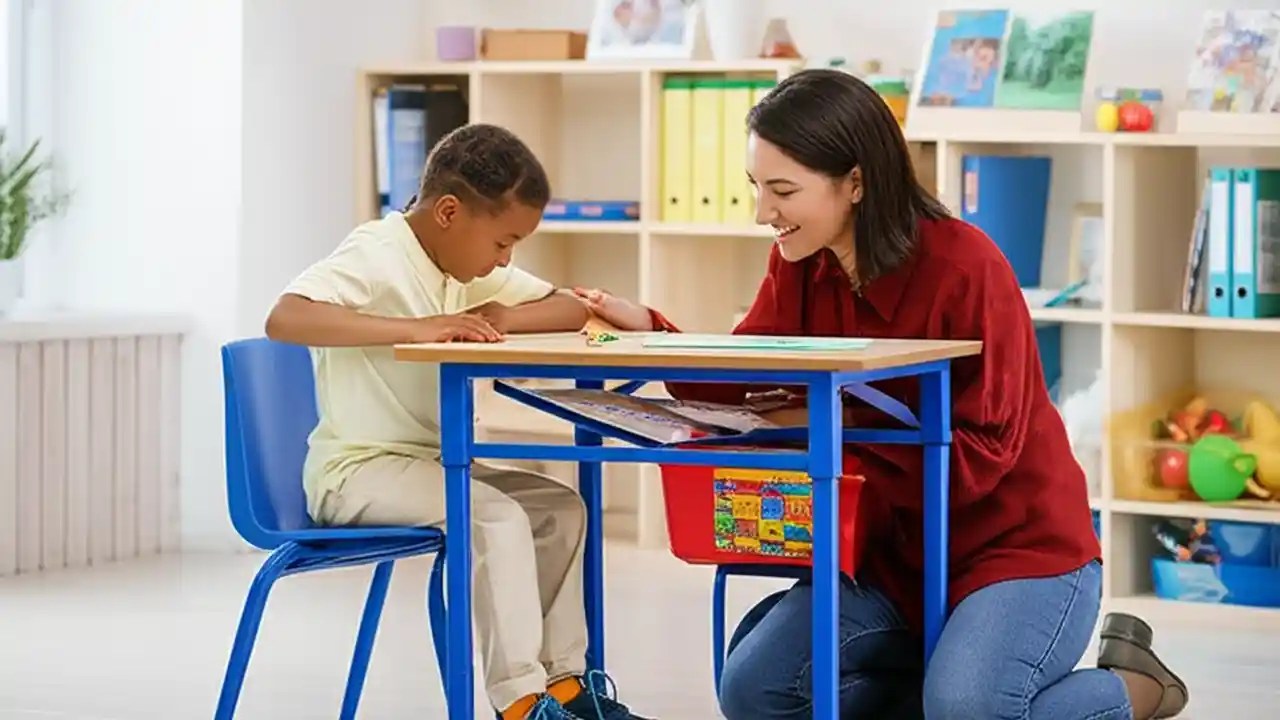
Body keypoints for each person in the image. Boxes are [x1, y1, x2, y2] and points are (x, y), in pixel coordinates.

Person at [575, 69, 1189, 720]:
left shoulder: (967, 267)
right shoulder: (799, 264)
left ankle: (1136, 688)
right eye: (758, 188)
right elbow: (744, 370)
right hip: (884, 559)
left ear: (857, 182)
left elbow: (984, 453)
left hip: (1017, 552)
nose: (763, 213)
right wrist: (654, 333)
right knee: (755, 690)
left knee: (968, 708)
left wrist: (827, 430)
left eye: (783, 191)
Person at [265, 123, 649, 720]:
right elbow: (285, 317)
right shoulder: (377, 252)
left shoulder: (462, 266)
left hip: (429, 468)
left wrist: (499, 310)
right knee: (493, 516)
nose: (507, 258)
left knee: (559, 509)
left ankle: (568, 687)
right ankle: (520, 702)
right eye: (503, 242)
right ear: (450, 212)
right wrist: (412, 331)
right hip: (357, 472)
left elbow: (572, 304)